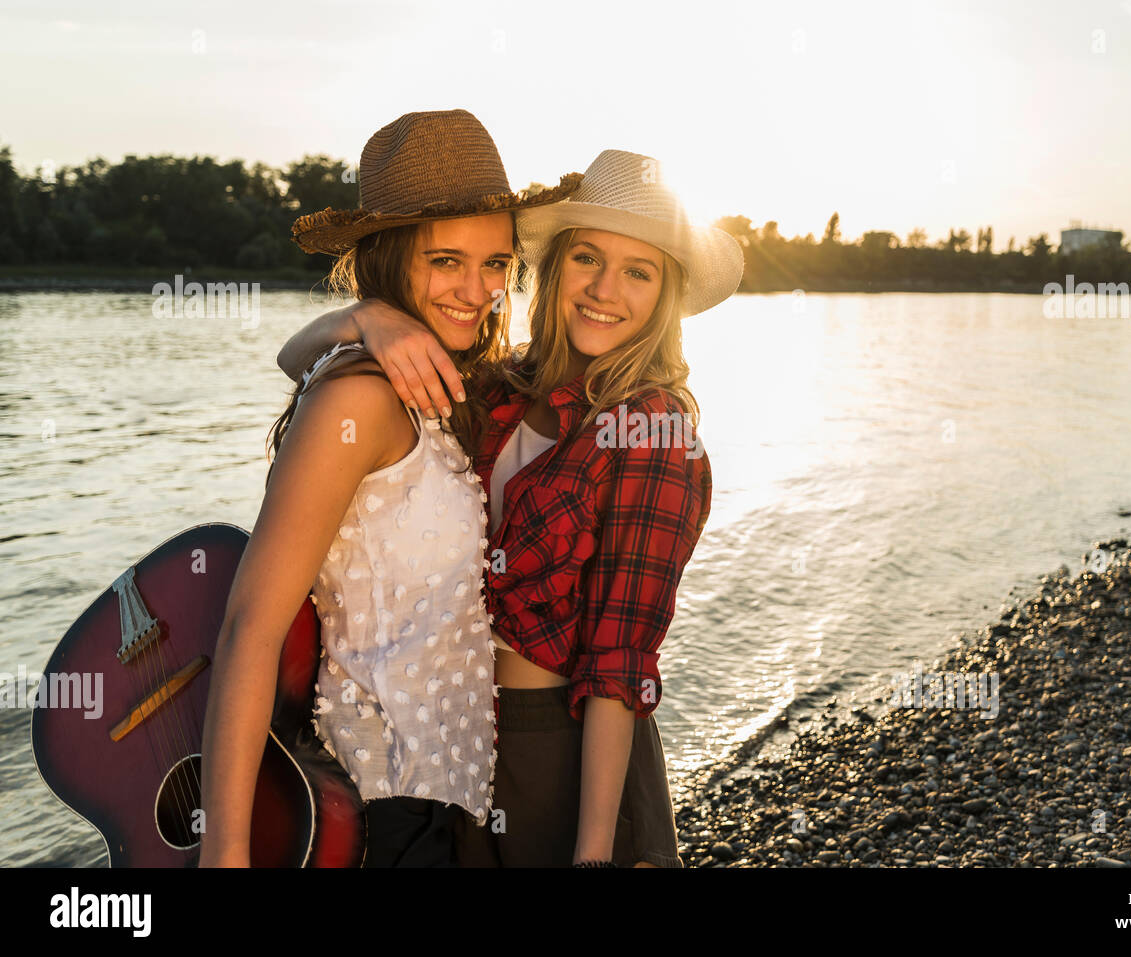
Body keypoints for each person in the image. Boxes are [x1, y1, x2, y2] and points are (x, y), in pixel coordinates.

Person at [277, 149, 744, 866]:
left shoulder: (654, 434)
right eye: (588, 257)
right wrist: (364, 319)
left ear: (664, 298)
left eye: (638, 271)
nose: (605, 289)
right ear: (556, 267)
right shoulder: (501, 386)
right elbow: (295, 361)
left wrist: (591, 850)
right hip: (459, 735)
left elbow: (619, 665)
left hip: (563, 745)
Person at [197, 109, 579, 867]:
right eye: (447, 261)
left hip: (441, 801)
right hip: (381, 805)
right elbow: (249, 627)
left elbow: (288, 354)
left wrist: (360, 318)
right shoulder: (359, 399)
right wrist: (225, 855)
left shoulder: (422, 382)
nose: (478, 290)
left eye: (497, 263)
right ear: (390, 255)